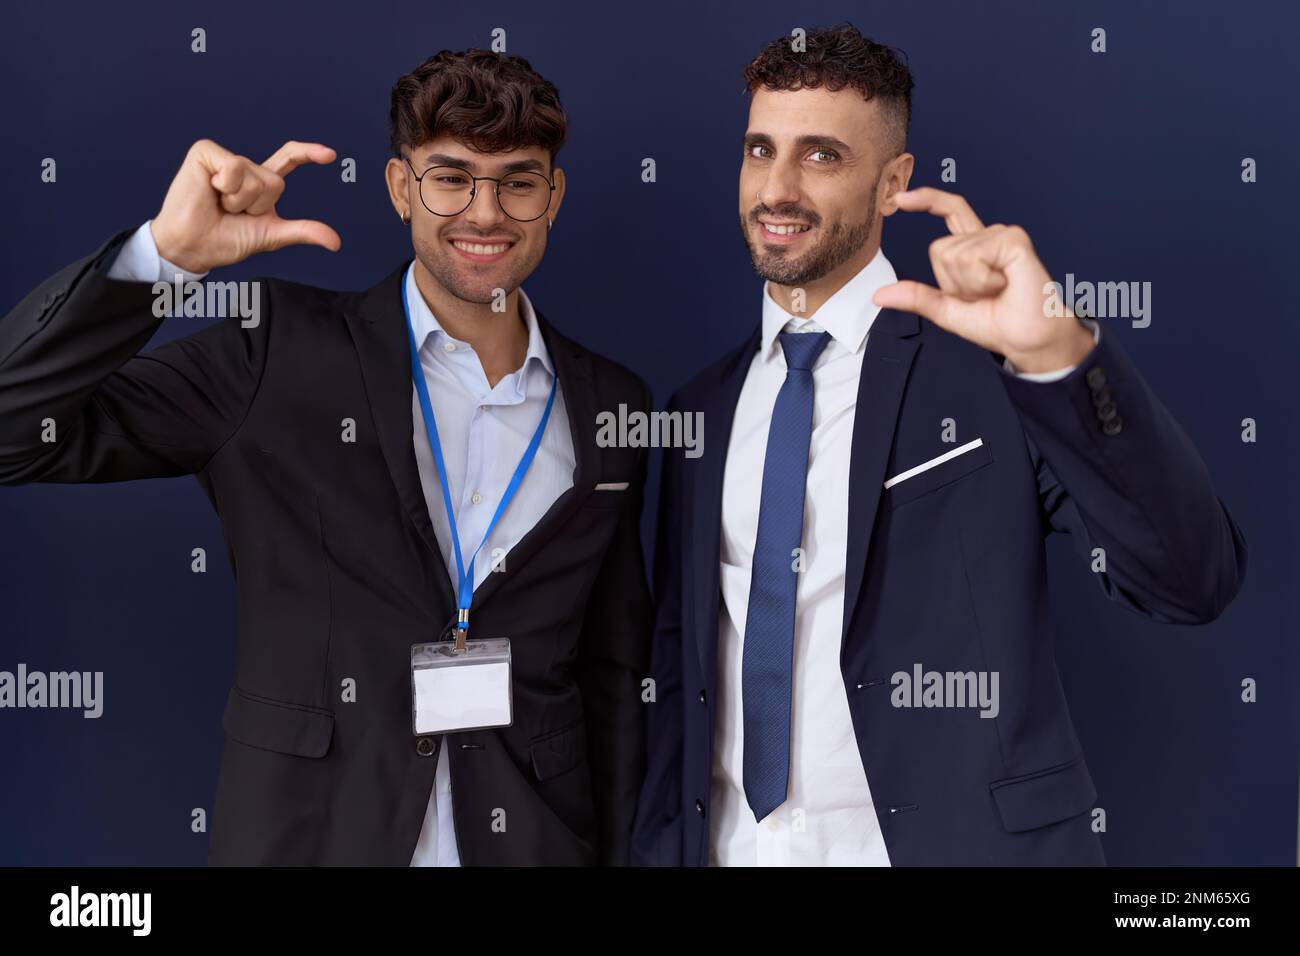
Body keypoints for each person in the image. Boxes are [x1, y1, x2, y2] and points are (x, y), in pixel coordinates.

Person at [0, 49, 653, 866]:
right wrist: (165, 259)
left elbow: (616, 676)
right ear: (399, 187)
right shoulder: (277, 350)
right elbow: (12, 432)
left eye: (517, 181)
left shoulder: (615, 404)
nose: (485, 212)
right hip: (311, 838)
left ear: (552, 197)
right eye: (451, 177)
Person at [631, 24, 1246, 866]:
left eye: (820, 157)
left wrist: (1060, 355)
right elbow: (678, 678)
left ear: (894, 185)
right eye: (760, 149)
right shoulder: (696, 410)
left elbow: (1190, 577)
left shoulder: (992, 371)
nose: (776, 188)